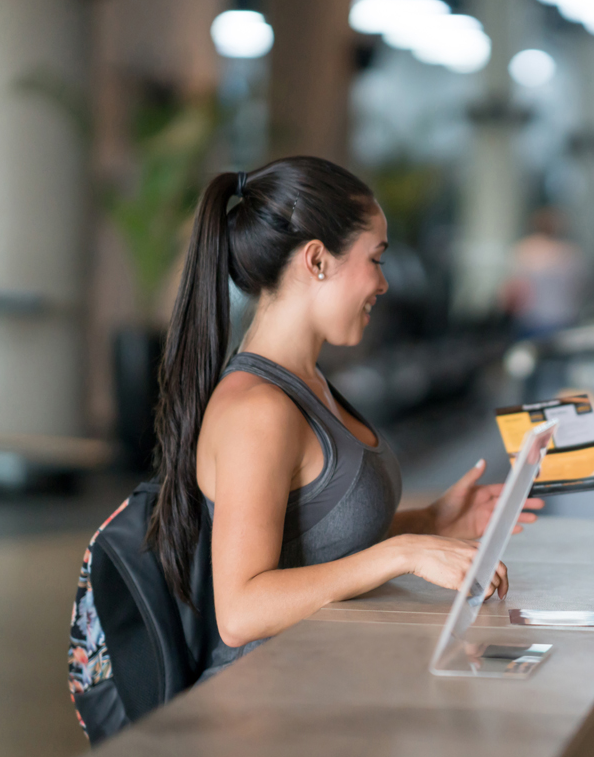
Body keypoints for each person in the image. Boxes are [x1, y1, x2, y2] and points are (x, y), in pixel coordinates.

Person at [150, 156, 541, 677]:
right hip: (266, 707)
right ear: (316, 261)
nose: (382, 284)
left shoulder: (309, 384)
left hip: (328, 681)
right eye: (375, 259)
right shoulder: (258, 410)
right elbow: (242, 612)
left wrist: (430, 523)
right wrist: (402, 552)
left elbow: (309, 546)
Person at [501, 205, 586, 338]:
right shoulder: (570, 253)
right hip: (562, 316)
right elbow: (579, 289)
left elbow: (515, 290)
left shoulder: (525, 250)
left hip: (534, 318)